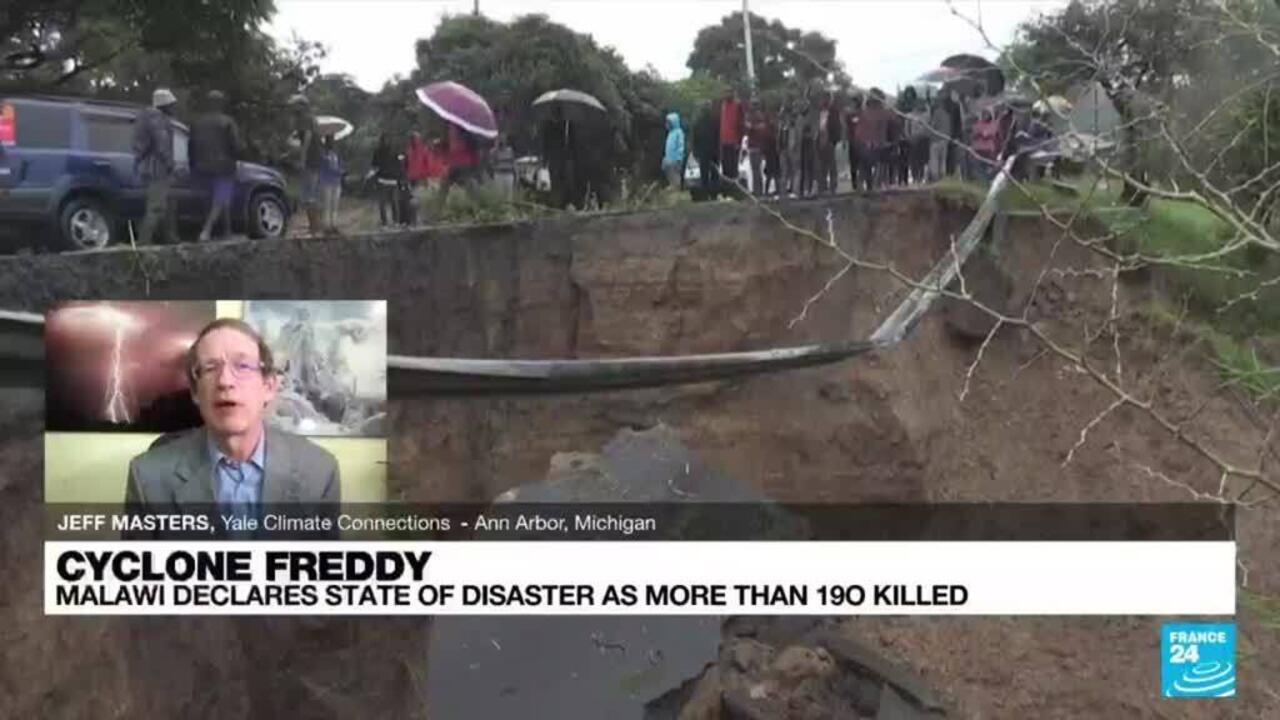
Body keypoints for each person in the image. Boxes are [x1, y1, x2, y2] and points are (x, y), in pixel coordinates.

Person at [123, 318, 340, 540]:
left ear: (268, 387)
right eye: (210, 368)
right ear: (195, 392)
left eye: (242, 366)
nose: (225, 381)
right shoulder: (147, 477)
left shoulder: (319, 472)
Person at [189, 90, 242, 243]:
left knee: (221, 200)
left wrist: (193, 165)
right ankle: (206, 230)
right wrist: (237, 157)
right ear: (221, 104)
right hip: (224, 167)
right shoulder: (228, 122)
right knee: (222, 198)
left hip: (201, 167)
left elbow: (190, 146)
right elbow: (235, 146)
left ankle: (227, 231)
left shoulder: (197, 122)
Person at [132, 87, 180, 245]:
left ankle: (170, 237)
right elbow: (162, 144)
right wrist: (170, 164)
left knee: (167, 204)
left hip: (148, 167)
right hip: (157, 168)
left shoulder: (147, 117)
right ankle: (143, 242)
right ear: (164, 105)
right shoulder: (157, 120)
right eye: (171, 104)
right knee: (156, 207)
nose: (174, 107)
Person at [289, 94, 325, 236]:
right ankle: (316, 227)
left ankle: (314, 228)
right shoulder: (312, 119)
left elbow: (307, 139)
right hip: (316, 159)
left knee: (308, 195)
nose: (293, 108)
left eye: (295, 105)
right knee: (312, 194)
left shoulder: (304, 118)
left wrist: (302, 159)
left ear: (301, 106)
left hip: (310, 160)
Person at [435, 121, 484, 214]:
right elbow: (445, 148)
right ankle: (438, 210)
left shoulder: (466, 135)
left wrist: (475, 166)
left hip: (464, 163)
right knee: (444, 185)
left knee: (469, 186)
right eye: (450, 128)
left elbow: (474, 150)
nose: (451, 131)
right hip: (453, 163)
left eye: (452, 128)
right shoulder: (447, 135)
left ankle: (477, 208)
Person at [856, 91, 890, 191]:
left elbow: (882, 129)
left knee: (877, 164)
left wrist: (880, 142)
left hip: (875, 143)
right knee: (866, 165)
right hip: (867, 143)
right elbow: (860, 129)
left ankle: (873, 185)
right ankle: (865, 185)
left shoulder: (881, 113)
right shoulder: (866, 112)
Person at [371, 134, 402, 227]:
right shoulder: (380, 152)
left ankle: (393, 222)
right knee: (387, 203)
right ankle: (390, 222)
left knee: (390, 202)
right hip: (385, 180)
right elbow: (375, 166)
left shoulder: (393, 152)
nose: (385, 142)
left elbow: (399, 166)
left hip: (389, 180)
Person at [691, 101, 720, 199]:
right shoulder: (698, 122)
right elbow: (695, 138)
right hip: (704, 152)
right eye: (705, 107)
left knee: (714, 173)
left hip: (713, 151)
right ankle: (706, 194)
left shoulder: (715, 121)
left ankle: (713, 194)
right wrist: (695, 151)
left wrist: (719, 151)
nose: (706, 109)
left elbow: (718, 136)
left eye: (707, 107)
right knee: (705, 174)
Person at [718, 89, 744, 188]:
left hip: (734, 141)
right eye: (725, 92)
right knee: (725, 166)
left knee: (733, 166)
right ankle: (726, 188)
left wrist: (739, 141)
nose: (727, 94)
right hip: (724, 141)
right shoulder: (722, 105)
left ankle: (734, 188)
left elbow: (740, 124)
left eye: (729, 92)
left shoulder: (737, 105)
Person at [318, 135, 342, 234]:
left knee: (335, 205)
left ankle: (334, 225)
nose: (332, 143)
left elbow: (339, 166)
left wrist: (340, 171)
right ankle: (326, 226)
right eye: (330, 141)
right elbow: (324, 169)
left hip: (336, 182)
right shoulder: (323, 155)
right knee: (327, 205)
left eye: (333, 141)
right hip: (326, 182)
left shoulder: (336, 155)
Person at [745, 101, 767, 196]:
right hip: (752, 146)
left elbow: (762, 128)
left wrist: (752, 127)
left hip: (757, 146)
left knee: (757, 169)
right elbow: (746, 128)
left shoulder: (759, 116)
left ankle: (759, 190)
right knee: (754, 169)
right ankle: (756, 189)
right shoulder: (749, 116)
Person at [662, 111, 686, 188]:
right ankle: (672, 185)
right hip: (668, 158)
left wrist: (679, 156)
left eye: (668, 123)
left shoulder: (679, 132)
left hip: (676, 158)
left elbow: (681, 145)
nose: (666, 125)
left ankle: (677, 186)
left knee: (675, 173)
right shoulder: (670, 133)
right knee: (668, 172)